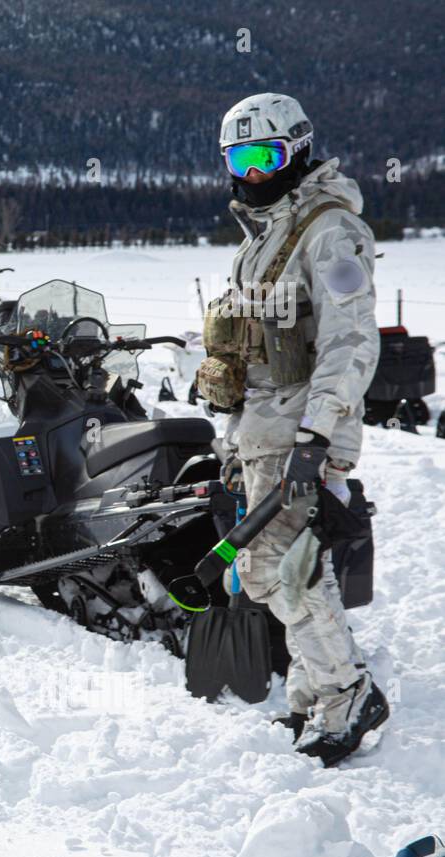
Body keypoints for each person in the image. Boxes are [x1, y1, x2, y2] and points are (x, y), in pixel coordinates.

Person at [202, 93, 387, 767]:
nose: (251, 174)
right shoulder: (262, 239)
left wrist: (317, 436)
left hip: (304, 430)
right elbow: (248, 359)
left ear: (298, 151)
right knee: (280, 570)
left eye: (265, 157)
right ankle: (313, 693)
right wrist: (232, 441)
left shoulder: (329, 232)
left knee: (284, 568)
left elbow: (351, 341)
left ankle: (345, 695)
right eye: (239, 159)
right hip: (264, 431)